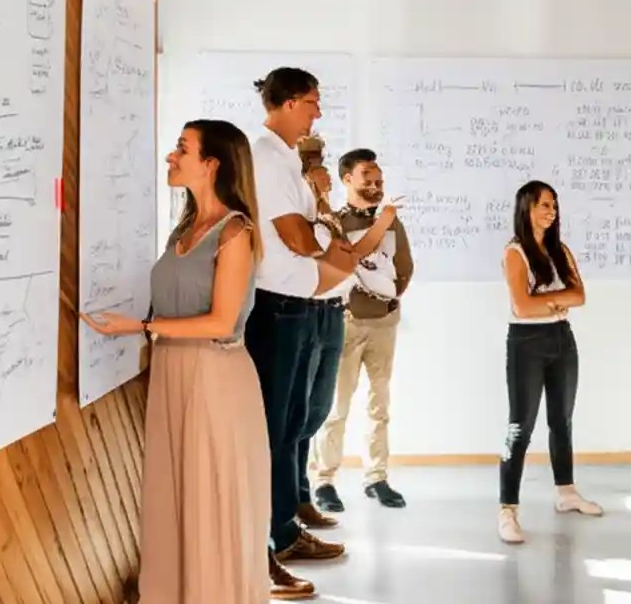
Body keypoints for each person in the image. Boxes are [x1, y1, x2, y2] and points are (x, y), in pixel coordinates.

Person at [81, 119, 287, 602]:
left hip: (215, 376)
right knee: (175, 497)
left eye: (182, 149)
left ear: (212, 163)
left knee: (210, 498)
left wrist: (141, 328)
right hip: (172, 372)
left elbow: (220, 322)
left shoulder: (235, 231)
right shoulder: (184, 226)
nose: (171, 157)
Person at [244, 68, 357, 597]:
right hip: (278, 307)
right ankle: (270, 543)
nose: (318, 112)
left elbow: (312, 234)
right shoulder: (265, 156)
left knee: (295, 424)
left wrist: (322, 227)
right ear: (287, 103)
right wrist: (327, 236)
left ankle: (285, 529)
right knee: (276, 430)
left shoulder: (290, 159)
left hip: (301, 304)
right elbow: (296, 237)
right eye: (312, 102)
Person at [497, 181, 602, 545]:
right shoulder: (515, 253)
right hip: (526, 343)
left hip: (561, 339)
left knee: (562, 420)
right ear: (527, 208)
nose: (551, 211)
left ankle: (567, 493)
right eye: (544, 204)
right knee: (520, 427)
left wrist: (550, 300)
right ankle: (508, 509)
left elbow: (580, 296)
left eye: (554, 205)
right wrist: (558, 300)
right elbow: (522, 307)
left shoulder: (560, 250)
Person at [312, 148, 414, 511]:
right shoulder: (336, 223)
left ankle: (377, 477)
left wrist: (391, 296)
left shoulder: (392, 223)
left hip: (384, 323)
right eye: (366, 178)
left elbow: (404, 265)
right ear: (347, 180)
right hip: (347, 323)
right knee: (335, 406)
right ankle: (323, 479)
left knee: (379, 405)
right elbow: (340, 265)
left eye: (379, 180)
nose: (374, 185)